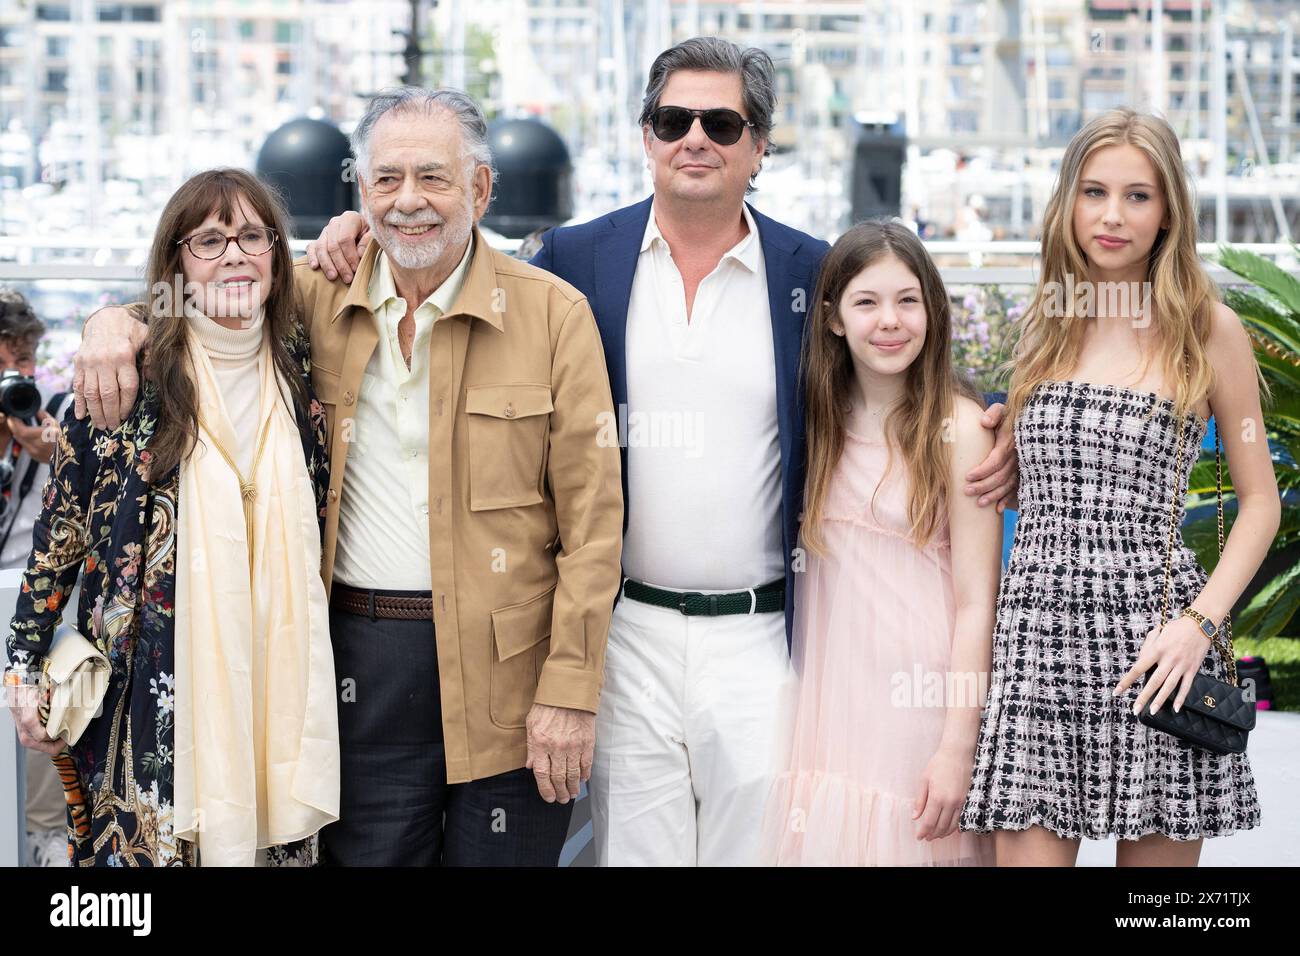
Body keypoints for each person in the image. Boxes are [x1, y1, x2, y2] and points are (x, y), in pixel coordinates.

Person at [308, 39, 1020, 866]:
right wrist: (359, 225)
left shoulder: (808, 271)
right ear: (645, 136)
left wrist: (990, 416)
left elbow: (891, 355)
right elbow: (450, 257)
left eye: (723, 123)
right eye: (673, 119)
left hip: (760, 635)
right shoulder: (578, 261)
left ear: (759, 147)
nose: (696, 139)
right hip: (626, 632)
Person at [73, 88, 624, 866]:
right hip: (356, 670)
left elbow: (595, 529)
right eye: (386, 180)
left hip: (512, 676)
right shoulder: (314, 297)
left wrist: (568, 693)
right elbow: (203, 295)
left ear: (480, 189)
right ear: (359, 191)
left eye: (433, 178)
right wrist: (112, 321)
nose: (409, 203)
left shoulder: (553, 317)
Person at [959, 109, 1277, 866]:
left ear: (1168, 211)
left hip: (1159, 643)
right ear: (1068, 200)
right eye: (1095, 192)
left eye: (1138, 195)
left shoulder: (1209, 328)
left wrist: (1197, 625)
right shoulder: (1046, 322)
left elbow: (1260, 500)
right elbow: (1043, 459)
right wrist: (1004, 431)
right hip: (1039, 635)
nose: (1112, 215)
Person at [5, 168, 338, 866]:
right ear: (176, 265)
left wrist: (352, 222)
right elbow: (59, 539)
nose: (235, 255)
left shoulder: (302, 363)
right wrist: (23, 669)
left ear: (279, 254)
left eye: (253, 236)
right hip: (143, 702)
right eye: (209, 241)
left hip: (275, 687)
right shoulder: (124, 381)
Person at [761, 220, 998, 866]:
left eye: (907, 300)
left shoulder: (962, 429)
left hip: (917, 713)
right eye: (867, 302)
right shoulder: (815, 424)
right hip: (825, 712)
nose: (889, 321)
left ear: (932, 310)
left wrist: (957, 745)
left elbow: (979, 602)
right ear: (835, 318)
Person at [0, 288, 75, 866]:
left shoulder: (52, 414)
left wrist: (54, 450)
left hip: (30, 604)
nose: (16, 379)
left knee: (48, 688)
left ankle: (44, 837)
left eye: (22, 362)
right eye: (4, 365)